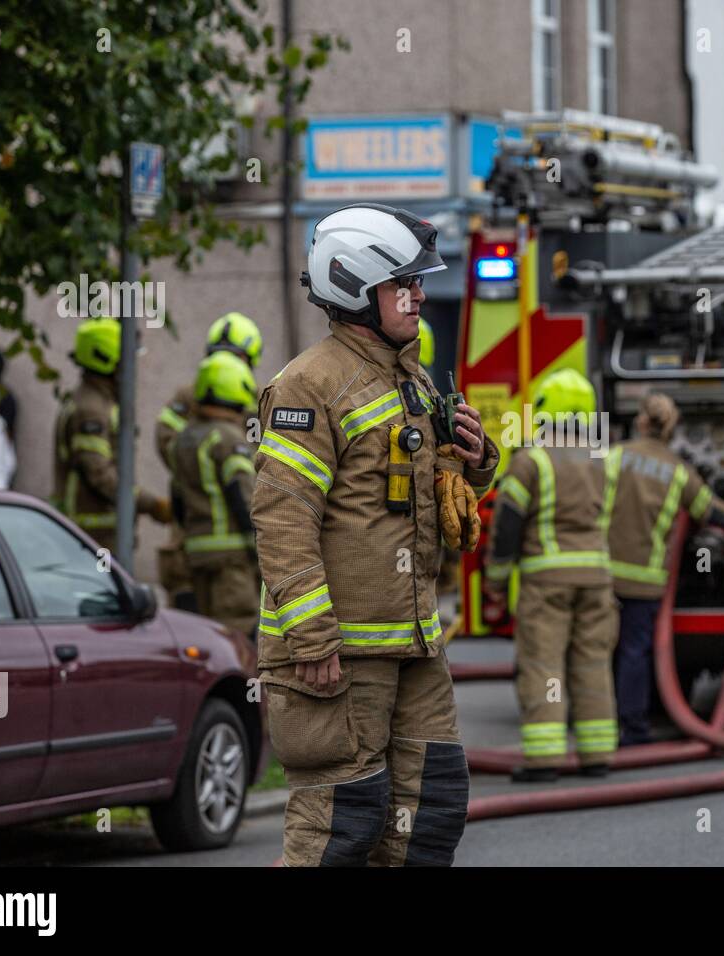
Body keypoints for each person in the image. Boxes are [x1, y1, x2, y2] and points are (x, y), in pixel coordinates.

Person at [252, 202, 498, 867]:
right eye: (403, 283)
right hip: (336, 655)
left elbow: (427, 502)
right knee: (339, 829)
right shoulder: (309, 385)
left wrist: (474, 465)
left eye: (416, 281)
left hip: (412, 642)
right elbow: (282, 516)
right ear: (355, 287)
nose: (419, 294)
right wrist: (310, 636)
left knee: (429, 815)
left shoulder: (409, 377)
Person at [604, 392, 724, 746]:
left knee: (596, 650)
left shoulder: (614, 458)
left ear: (640, 421)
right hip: (645, 582)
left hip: (602, 574)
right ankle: (634, 729)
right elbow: (719, 515)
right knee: (634, 651)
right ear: (672, 429)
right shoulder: (679, 472)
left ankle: (598, 727)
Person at [483, 368, 618, 782]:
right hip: (597, 580)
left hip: (547, 582)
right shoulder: (604, 459)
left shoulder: (532, 460)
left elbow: (506, 527)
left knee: (544, 666)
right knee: (592, 662)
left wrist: (496, 583)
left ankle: (544, 759)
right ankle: (597, 755)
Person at [155, 312, 263, 611]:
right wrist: (203, 468)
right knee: (200, 598)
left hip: (238, 502)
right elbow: (166, 437)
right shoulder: (193, 393)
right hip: (203, 502)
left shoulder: (251, 395)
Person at [52, 317, 171, 552]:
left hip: (100, 536)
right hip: (93, 538)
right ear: (106, 359)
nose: (132, 369)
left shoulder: (100, 403)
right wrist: (150, 504)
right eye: (126, 361)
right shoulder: (91, 411)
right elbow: (100, 474)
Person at [171, 351, 259, 636]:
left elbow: (177, 498)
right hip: (231, 557)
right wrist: (262, 545)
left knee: (208, 633)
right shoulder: (228, 437)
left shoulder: (184, 437)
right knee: (236, 631)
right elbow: (242, 496)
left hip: (196, 554)